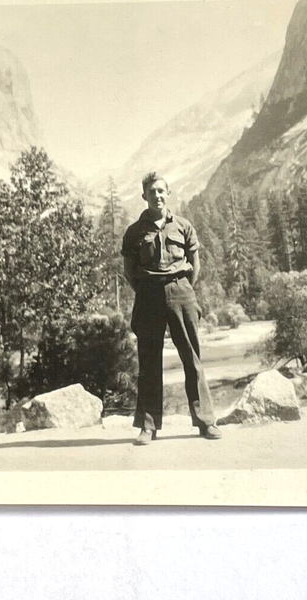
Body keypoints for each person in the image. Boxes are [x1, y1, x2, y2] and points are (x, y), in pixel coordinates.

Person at [121, 171, 221, 445]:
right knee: (149, 361)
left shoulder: (184, 226)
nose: (157, 196)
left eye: (161, 191)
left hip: (181, 292)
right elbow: (129, 272)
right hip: (148, 297)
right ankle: (148, 427)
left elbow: (195, 265)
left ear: (168, 194)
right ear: (144, 196)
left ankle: (205, 421)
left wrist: (182, 289)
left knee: (192, 358)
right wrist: (148, 290)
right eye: (152, 192)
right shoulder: (134, 232)